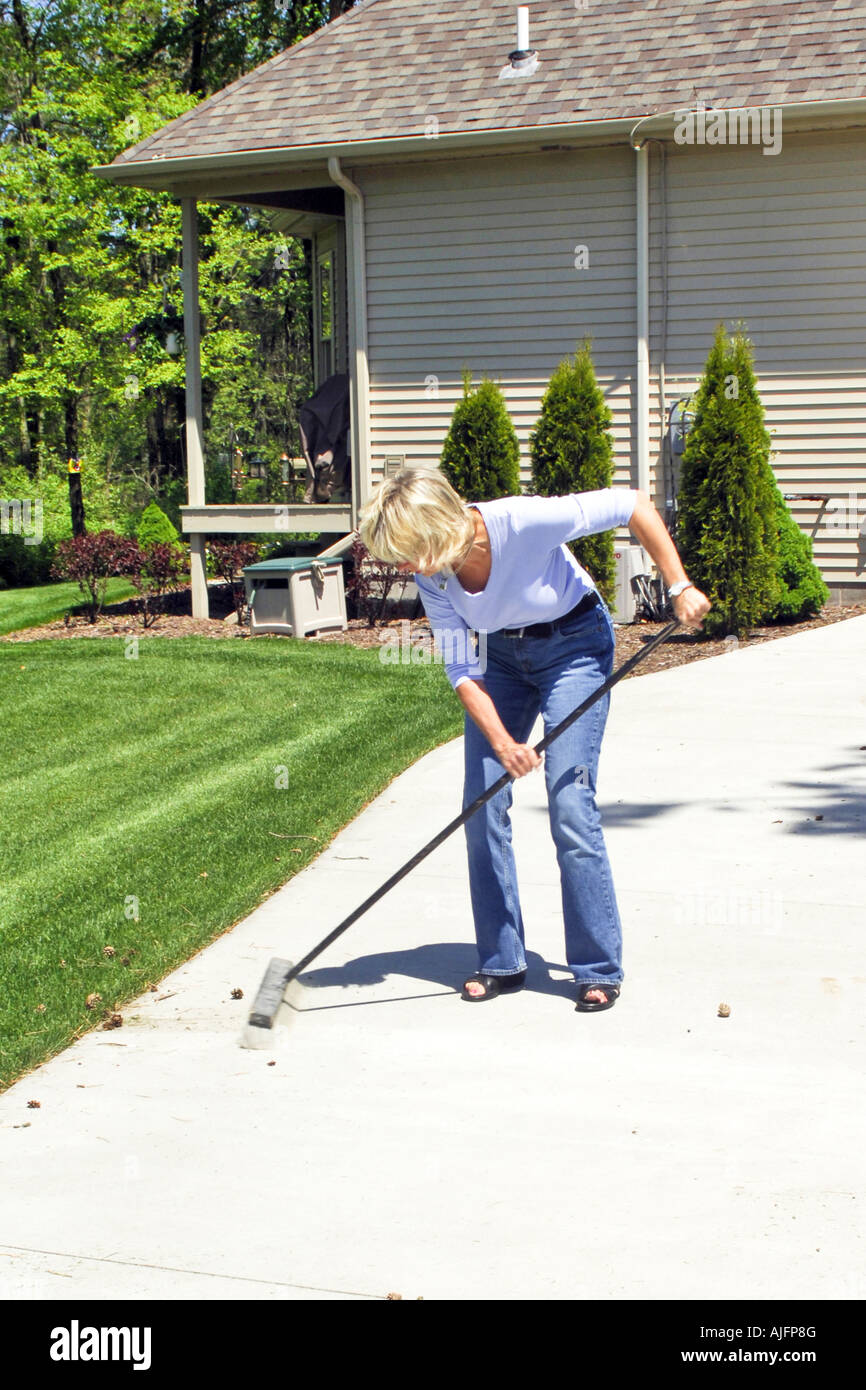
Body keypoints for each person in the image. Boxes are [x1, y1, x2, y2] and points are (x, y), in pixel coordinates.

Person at [358, 468, 711, 1012]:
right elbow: (462, 667)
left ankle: (597, 967)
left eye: (405, 552)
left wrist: (678, 584)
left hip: (574, 645)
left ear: (432, 531)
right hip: (501, 657)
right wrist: (502, 742)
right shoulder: (433, 575)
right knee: (481, 803)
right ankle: (502, 959)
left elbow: (632, 503)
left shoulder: (521, 522)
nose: (400, 567)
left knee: (570, 804)